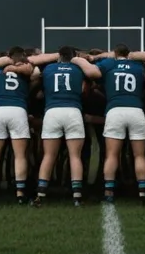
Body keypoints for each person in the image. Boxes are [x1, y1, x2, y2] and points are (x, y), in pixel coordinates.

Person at [29, 46, 101, 206]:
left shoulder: (48, 68)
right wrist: (81, 60)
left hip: (52, 111)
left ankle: (40, 195)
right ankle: (77, 197)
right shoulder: (78, 68)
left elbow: (32, 70)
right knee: (75, 156)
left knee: (49, 155)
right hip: (72, 111)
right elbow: (94, 74)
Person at [94, 44, 145, 203]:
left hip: (115, 110)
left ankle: (108, 192)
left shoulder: (109, 64)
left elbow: (93, 72)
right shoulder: (137, 66)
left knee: (112, 154)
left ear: (114, 53)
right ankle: (142, 192)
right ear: (129, 54)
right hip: (135, 110)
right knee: (139, 155)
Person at [0, 47, 34, 204]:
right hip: (17, 110)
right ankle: (20, 193)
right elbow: (34, 72)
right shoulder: (27, 69)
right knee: (20, 155)